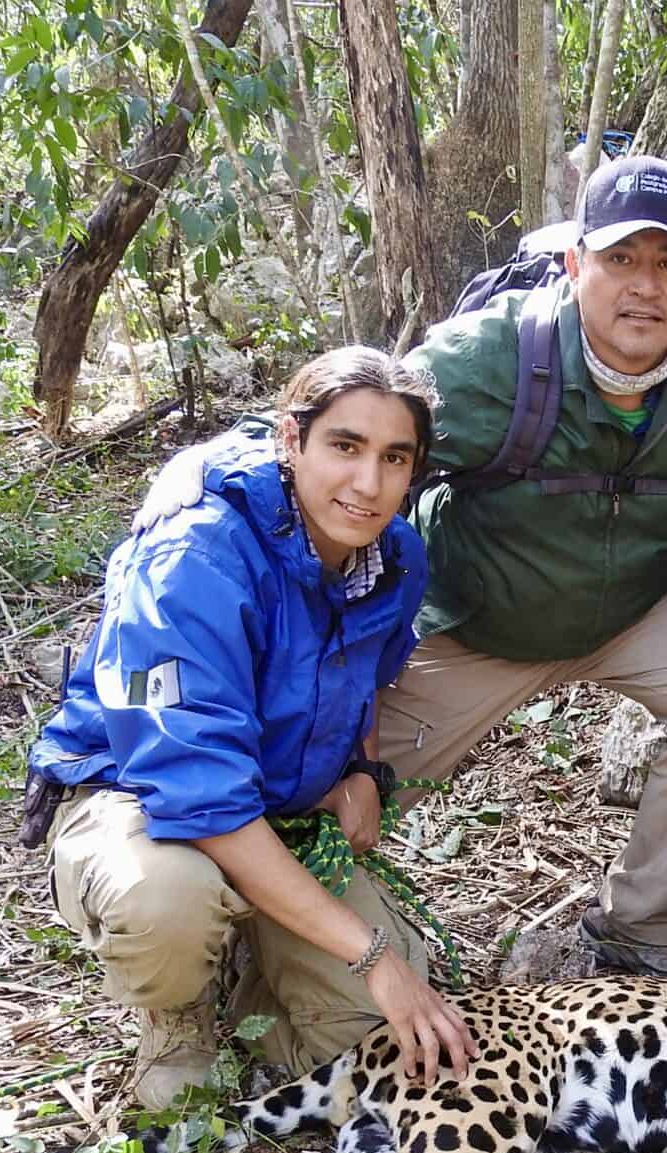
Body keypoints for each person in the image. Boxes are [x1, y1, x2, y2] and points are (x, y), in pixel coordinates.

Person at [140, 156, 667, 982]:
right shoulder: (496, 356)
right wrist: (214, 461)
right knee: (337, 781)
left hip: (634, 612)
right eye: (620, 260)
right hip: (473, 619)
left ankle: (643, 926)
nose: (645, 287)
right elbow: (350, 419)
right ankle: (263, 933)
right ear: (576, 264)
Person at [27, 347, 475, 1109]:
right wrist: (372, 956)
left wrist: (364, 771)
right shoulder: (192, 557)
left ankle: (250, 968)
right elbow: (199, 791)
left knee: (373, 1043)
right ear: (290, 441)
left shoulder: (394, 554)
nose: (368, 484)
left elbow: (365, 671)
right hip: (140, 795)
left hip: (276, 809)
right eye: (345, 446)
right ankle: (179, 1011)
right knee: (167, 898)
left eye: (394, 458)